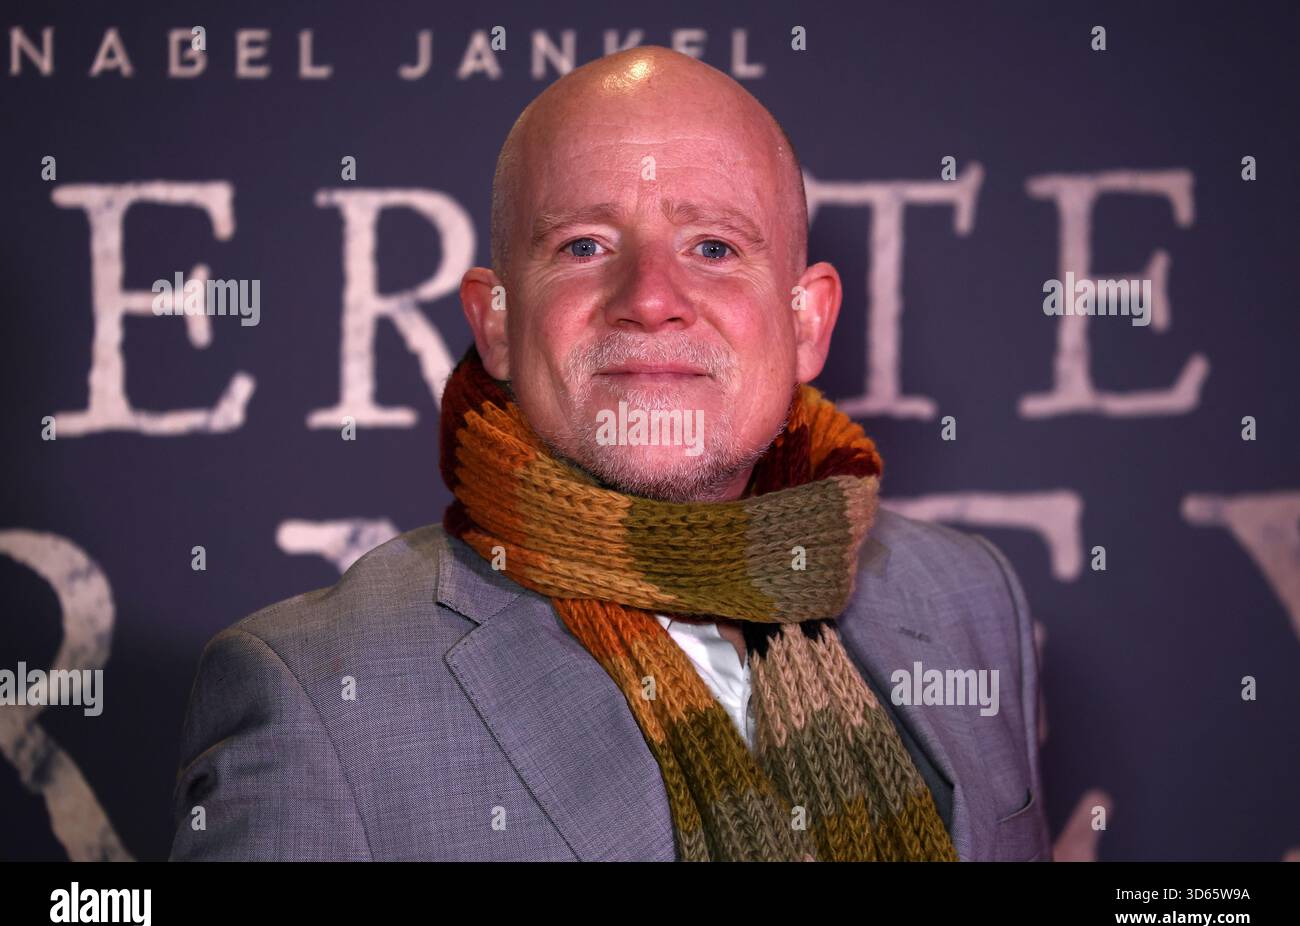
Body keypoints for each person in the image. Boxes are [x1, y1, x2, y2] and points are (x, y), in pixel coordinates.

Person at [169, 45, 1050, 862]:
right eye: (585, 246)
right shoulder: (316, 698)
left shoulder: (969, 598)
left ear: (807, 320)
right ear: (496, 322)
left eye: (713, 246)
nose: (652, 298)